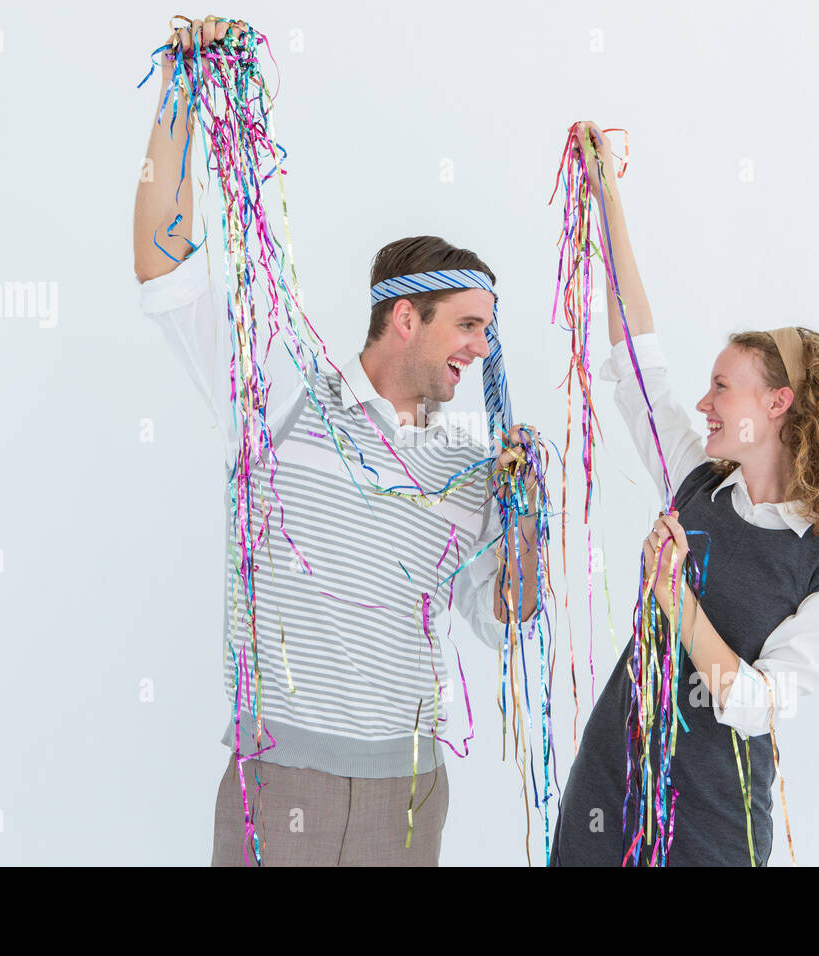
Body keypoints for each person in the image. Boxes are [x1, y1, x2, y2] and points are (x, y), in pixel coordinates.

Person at [133, 18, 540, 866]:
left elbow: (508, 623)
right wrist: (179, 85)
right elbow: (166, 265)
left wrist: (528, 516)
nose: (481, 348)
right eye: (467, 325)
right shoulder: (278, 393)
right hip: (286, 780)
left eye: (487, 332)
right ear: (404, 316)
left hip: (414, 791)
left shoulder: (469, 471)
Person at [550, 122, 819, 866]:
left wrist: (677, 601)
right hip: (605, 793)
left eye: (721, 387)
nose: (703, 404)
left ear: (777, 404)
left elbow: (756, 705)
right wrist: (606, 193)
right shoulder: (698, 479)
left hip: (713, 828)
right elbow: (636, 360)